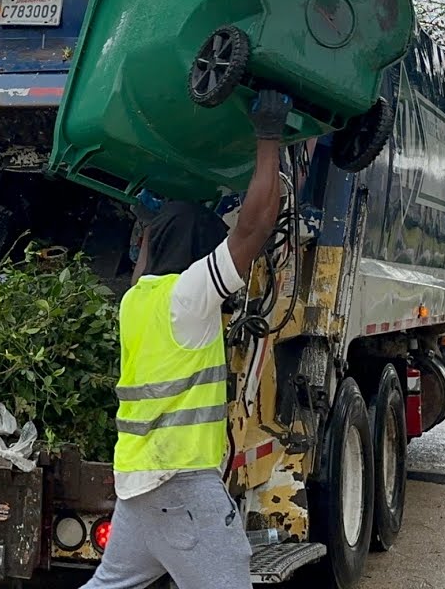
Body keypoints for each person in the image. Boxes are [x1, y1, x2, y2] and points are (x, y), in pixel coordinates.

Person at [81, 90, 290, 589]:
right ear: (201, 255)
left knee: (112, 585)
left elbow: (145, 262)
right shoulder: (191, 296)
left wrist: (149, 222)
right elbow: (256, 225)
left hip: (139, 480)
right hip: (181, 483)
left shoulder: (136, 300)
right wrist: (268, 134)